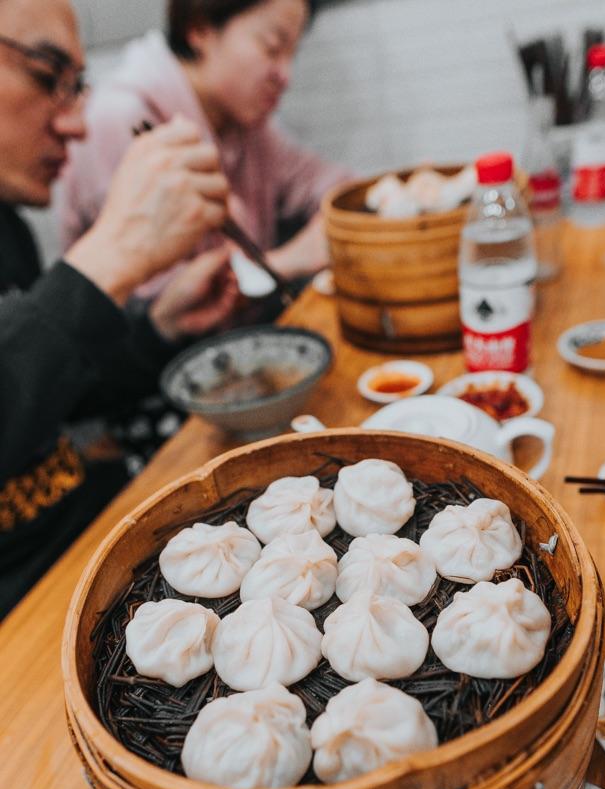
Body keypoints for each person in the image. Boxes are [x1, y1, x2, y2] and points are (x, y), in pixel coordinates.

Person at [0, 0, 238, 619]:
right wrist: (113, 254)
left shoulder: (10, 231)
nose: (77, 126)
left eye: (77, 87)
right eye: (48, 75)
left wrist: (158, 329)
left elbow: (47, 400)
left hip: (94, 544)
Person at [59, 0, 351, 292]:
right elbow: (149, 299)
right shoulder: (119, 118)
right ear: (200, 30)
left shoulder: (244, 122)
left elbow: (327, 183)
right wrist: (288, 260)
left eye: (292, 54)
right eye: (272, 48)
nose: (285, 76)